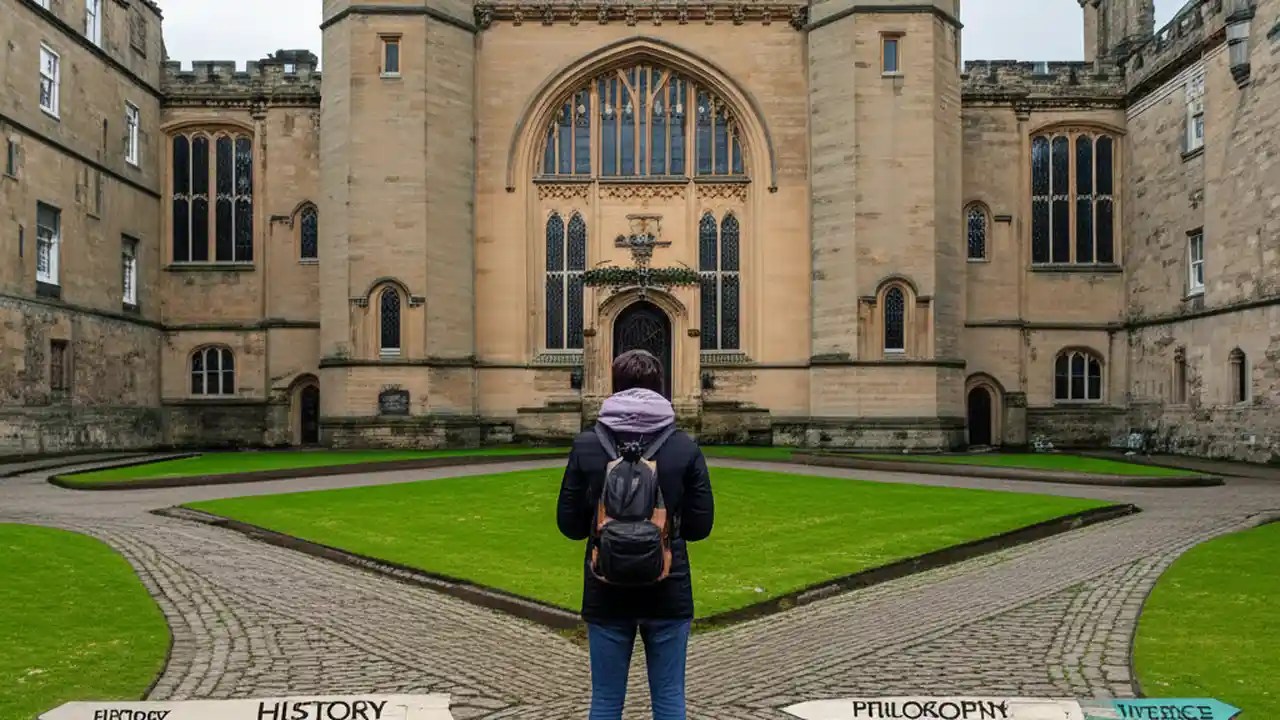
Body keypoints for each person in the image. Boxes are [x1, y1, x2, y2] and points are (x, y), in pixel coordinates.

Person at [556, 349, 715, 720]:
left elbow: (568, 525)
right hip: (668, 587)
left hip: (605, 585)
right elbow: (702, 526)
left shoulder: (586, 445)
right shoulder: (684, 447)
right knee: (670, 698)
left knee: (607, 701)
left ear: (614, 386)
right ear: (660, 388)